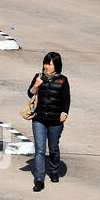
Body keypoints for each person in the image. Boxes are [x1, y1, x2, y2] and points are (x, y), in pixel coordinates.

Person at [26, 51, 70, 191]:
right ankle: (39, 180)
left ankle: (54, 169)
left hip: (55, 121)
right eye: (45, 63)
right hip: (39, 119)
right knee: (39, 150)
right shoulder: (38, 77)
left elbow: (66, 99)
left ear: (56, 65)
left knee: (53, 149)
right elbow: (29, 93)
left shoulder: (63, 80)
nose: (46, 67)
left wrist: (64, 112)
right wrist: (36, 86)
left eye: (49, 64)